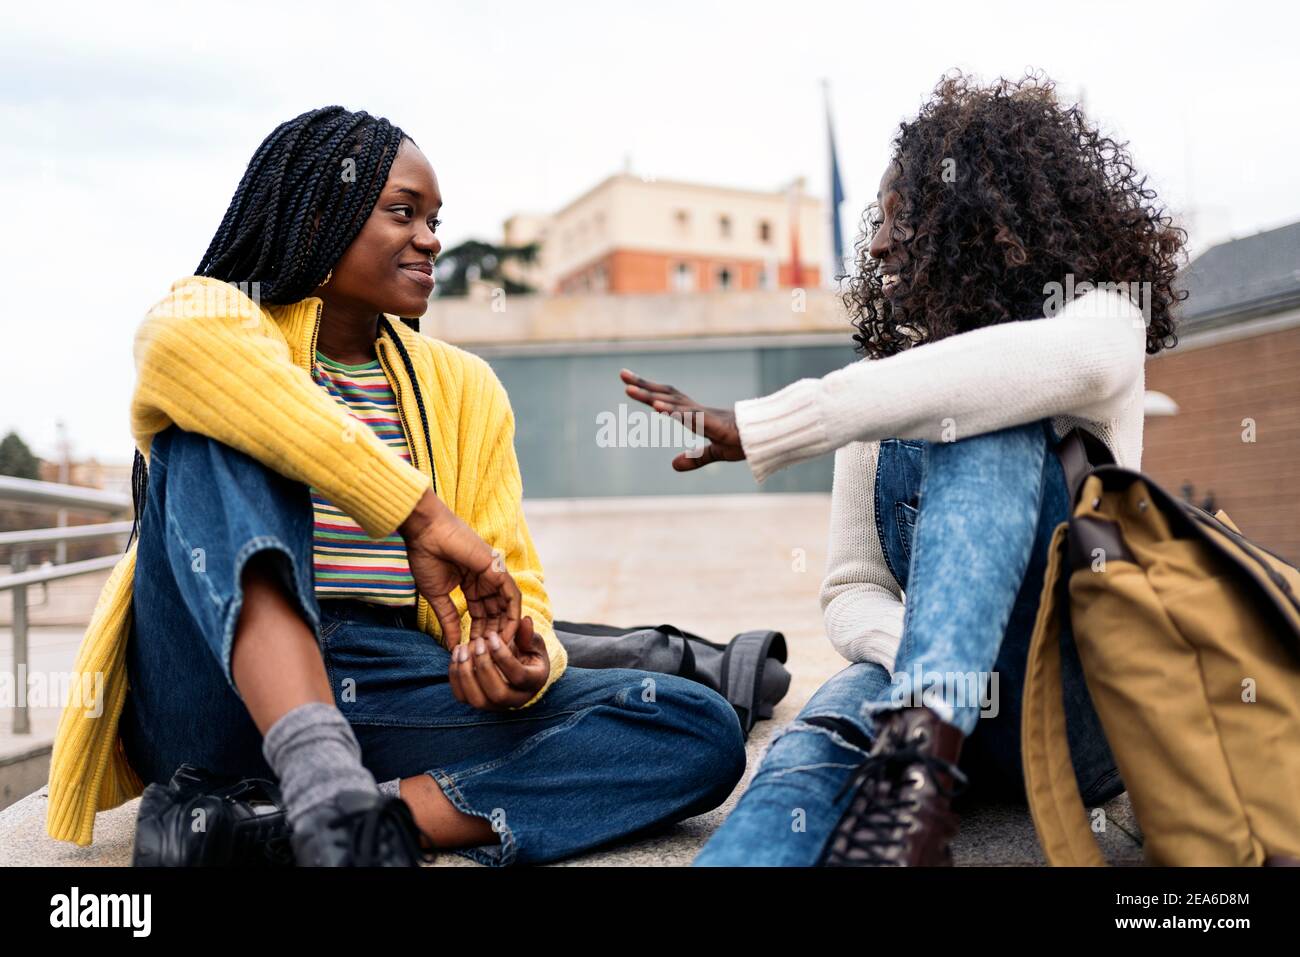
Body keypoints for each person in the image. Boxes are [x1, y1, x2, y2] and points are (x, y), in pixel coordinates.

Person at [47, 105, 746, 866]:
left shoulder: (466, 387)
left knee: (695, 726)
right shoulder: (219, 318)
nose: (431, 239)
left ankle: (327, 825)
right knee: (220, 423)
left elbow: (516, 573)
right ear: (322, 214)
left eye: (436, 219)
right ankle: (316, 772)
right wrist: (415, 511)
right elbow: (184, 354)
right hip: (210, 693)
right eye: (403, 213)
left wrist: (524, 652)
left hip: (385, 682)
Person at [621, 71, 1187, 866]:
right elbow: (850, 589)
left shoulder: (1102, 321)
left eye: (903, 219)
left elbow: (1015, 369)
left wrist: (766, 423)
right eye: (876, 222)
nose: (880, 243)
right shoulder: (886, 389)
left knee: (982, 425)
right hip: (930, 705)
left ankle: (913, 763)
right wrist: (923, 654)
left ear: (987, 221)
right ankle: (891, 789)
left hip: (1074, 708)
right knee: (810, 743)